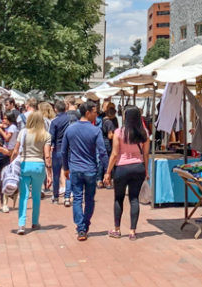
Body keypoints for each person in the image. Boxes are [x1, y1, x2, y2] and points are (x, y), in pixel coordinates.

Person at [61, 100, 107, 241]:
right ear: (87, 112)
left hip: (75, 169)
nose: (96, 114)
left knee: (77, 199)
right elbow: (102, 152)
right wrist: (107, 171)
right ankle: (85, 225)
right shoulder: (95, 130)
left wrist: (66, 168)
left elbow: (64, 151)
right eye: (94, 111)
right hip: (90, 170)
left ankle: (81, 228)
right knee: (89, 199)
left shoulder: (70, 129)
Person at [104, 106, 150, 240]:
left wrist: (108, 172)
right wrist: (146, 170)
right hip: (138, 167)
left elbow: (114, 153)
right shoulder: (144, 133)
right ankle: (132, 231)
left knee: (118, 198)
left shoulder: (119, 132)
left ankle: (117, 229)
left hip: (122, 168)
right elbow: (146, 154)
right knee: (134, 198)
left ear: (126, 117)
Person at [15, 111, 52, 235]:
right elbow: (47, 156)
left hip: (24, 164)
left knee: (24, 196)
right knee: (36, 196)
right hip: (38, 166)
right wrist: (50, 174)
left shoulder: (23, 132)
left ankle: (21, 224)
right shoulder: (45, 135)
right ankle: (35, 222)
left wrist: (11, 164)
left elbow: (16, 150)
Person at [49, 100, 73, 206]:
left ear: (55, 109)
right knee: (68, 173)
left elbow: (51, 138)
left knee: (56, 174)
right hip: (69, 150)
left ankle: (55, 197)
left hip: (57, 150)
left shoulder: (54, 121)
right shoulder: (71, 120)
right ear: (66, 108)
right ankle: (67, 197)